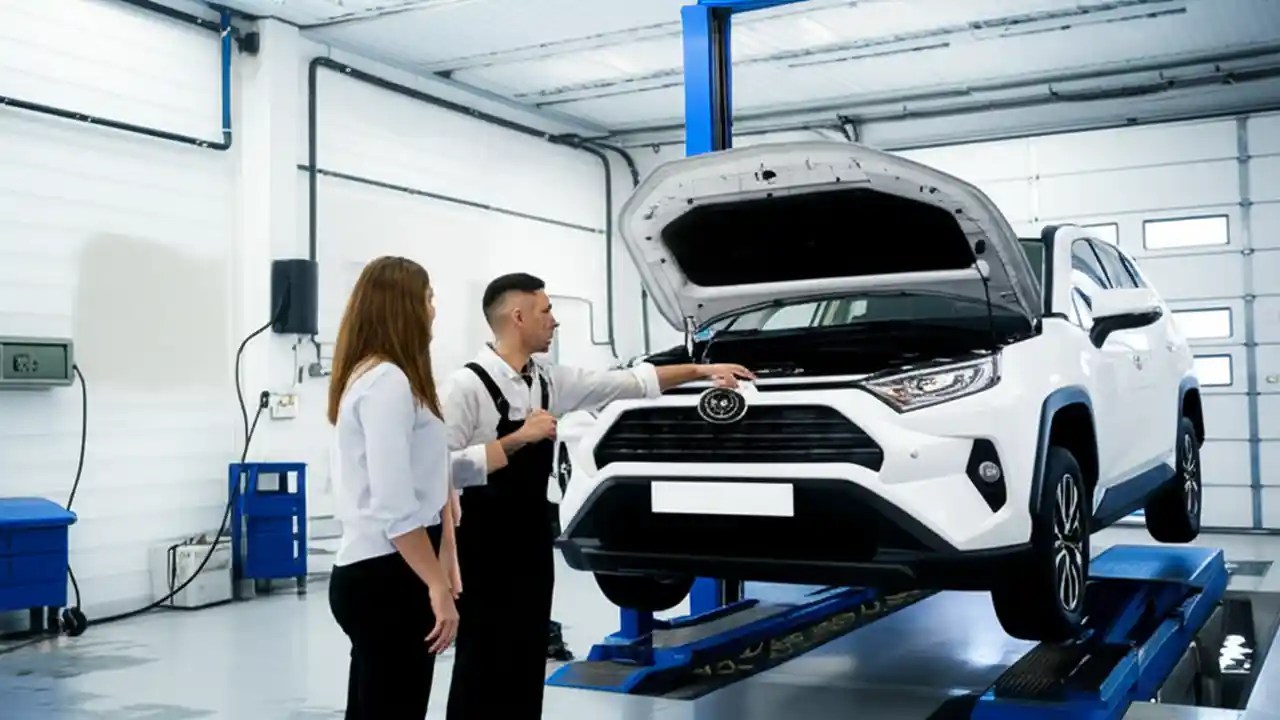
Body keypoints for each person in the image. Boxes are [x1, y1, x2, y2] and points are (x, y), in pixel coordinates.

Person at [442, 272, 753, 719]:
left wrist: (701, 370)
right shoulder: (466, 387)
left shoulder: (546, 380)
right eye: (546, 311)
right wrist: (515, 441)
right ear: (517, 317)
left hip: (530, 539)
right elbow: (439, 470)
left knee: (526, 655)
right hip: (480, 545)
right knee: (482, 658)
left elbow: (629, 382)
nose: (554, 321)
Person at [326, 256, 462, 720]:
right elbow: (395, 505)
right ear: (404, 306)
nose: (433, 310)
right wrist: (437, 586)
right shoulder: (388, 382)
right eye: (428, 299)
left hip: (372, 571)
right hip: (387, 577)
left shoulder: (370, 376)